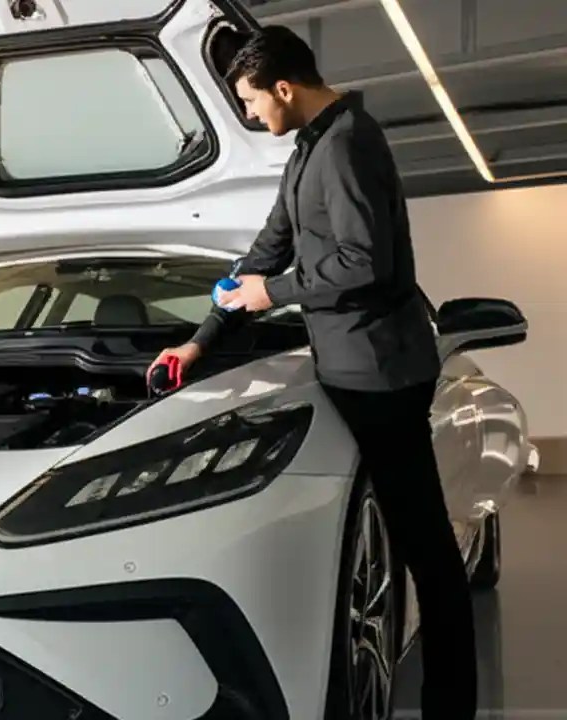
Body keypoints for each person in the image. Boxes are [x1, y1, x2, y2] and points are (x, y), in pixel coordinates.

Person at [151, 26, 477, 719]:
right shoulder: (308, 148)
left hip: (381, 374)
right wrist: (200, 343)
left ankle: (452, 705)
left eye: (249, 102)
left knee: (424, 545)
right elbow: (267, 247)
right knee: (404, 533)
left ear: (284, 87)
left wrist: (275, 294)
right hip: (351, 368)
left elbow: (366, 262)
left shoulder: (349, 142)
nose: (248, 116)